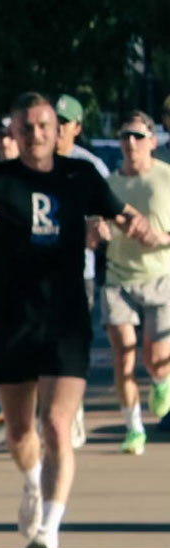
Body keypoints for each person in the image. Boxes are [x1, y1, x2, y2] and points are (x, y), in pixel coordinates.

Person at [0, 92, 150, 548]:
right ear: (12, 131)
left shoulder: (80, 176)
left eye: (44, 125)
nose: (36, 135)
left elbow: (120, 216)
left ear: (60, 130)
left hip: (65, 320)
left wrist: (137, 228)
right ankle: (33, 484)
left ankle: (49, 532)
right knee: (19, 432)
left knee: (56, 425)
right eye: (26, 126)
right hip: (11, 319)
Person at [88, 110, 170, 454]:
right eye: (125, 136)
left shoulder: (166, 178)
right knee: (123, 355)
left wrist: (160, 236)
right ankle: (134, 428)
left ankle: (162, 381)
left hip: (159, 275)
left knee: (155, 355)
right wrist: (98, 231)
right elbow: (91, 231)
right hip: (118, 280)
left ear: (152, 141)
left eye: (138, 136)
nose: (130, 143)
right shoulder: (108, 185)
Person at [54, 93, 111, 450]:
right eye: (52, 122)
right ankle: (53, 415)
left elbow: (104, 220)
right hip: (34, 272)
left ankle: (70, 413)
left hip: (78, 273)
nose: (56, 130)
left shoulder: (89, 168)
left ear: (77, 127)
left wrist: (98, 232)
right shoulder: (33, 164)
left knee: (70, 347)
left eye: (64, 123)